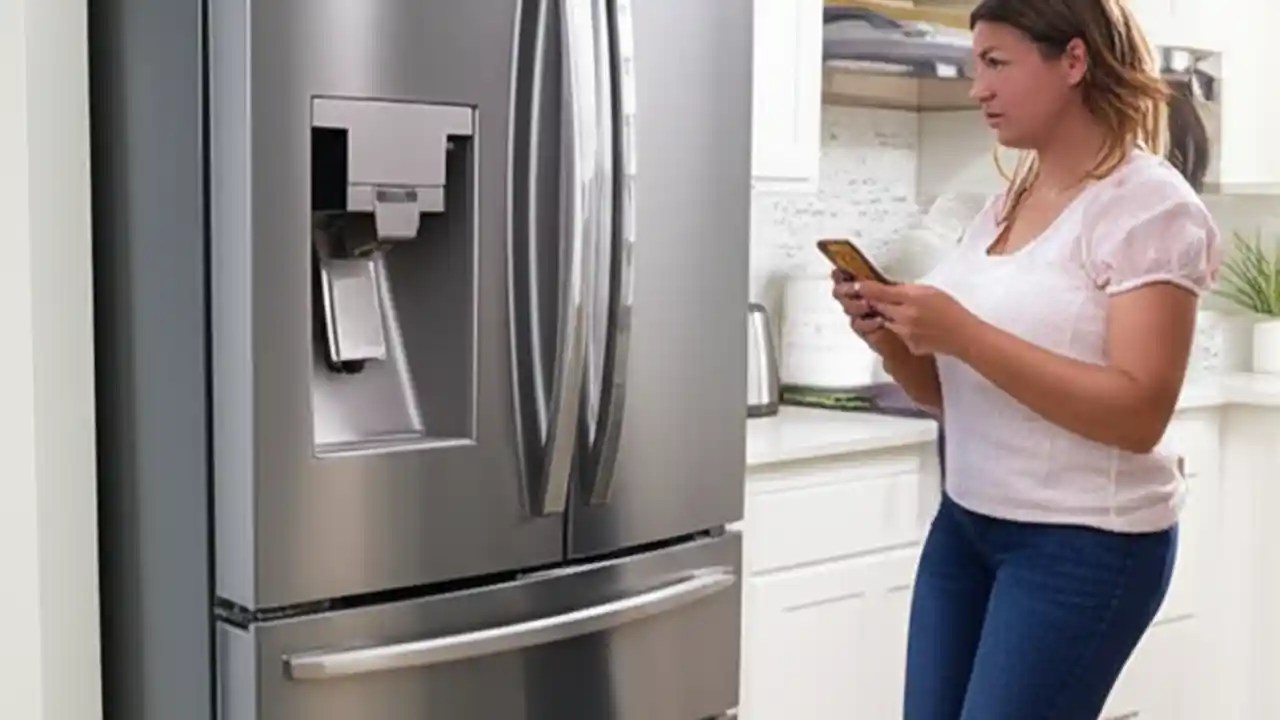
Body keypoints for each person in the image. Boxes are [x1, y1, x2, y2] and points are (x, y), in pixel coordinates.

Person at [830, 0, 1222, 718]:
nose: (977, 86)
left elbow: (1140, 413)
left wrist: (962, 332)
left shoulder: (1150, 209)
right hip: (967, 527)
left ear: (1073, 61)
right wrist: (889, 335)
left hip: (1084, 547)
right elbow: (954, 395)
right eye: (977, 63)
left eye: (997, 62)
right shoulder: (1009, 200)